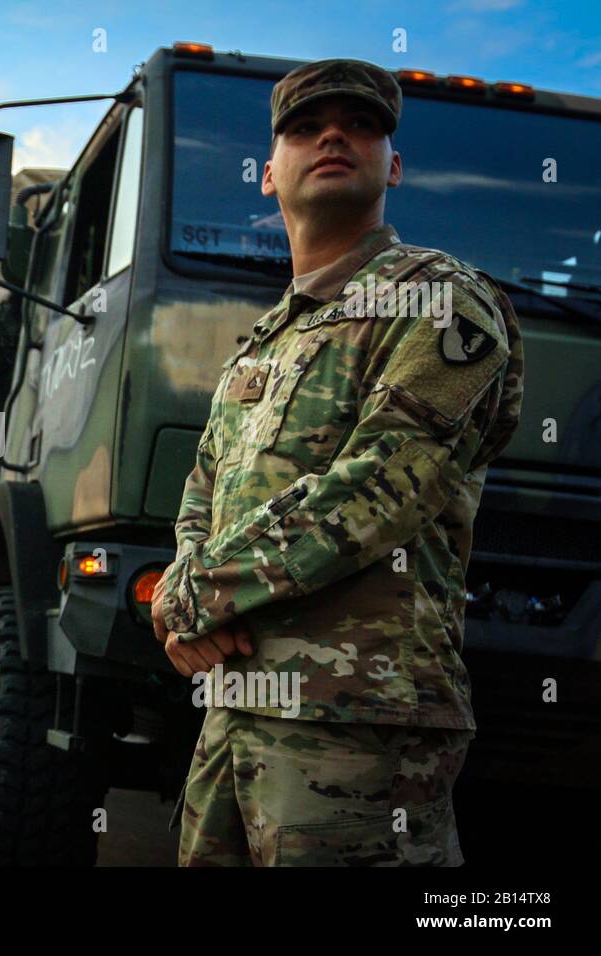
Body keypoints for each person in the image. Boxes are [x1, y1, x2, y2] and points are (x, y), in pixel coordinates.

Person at [151, 58, 524, 866]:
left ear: (392, 166)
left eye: (360, 126)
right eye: (304, 127)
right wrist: (188, 576)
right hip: (236, 712)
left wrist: (195, 593)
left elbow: (386, 484)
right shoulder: (268, 338)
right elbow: (202, 492)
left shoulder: (437, 298)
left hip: (361, 723)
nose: (332, 136)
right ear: (268, 174)